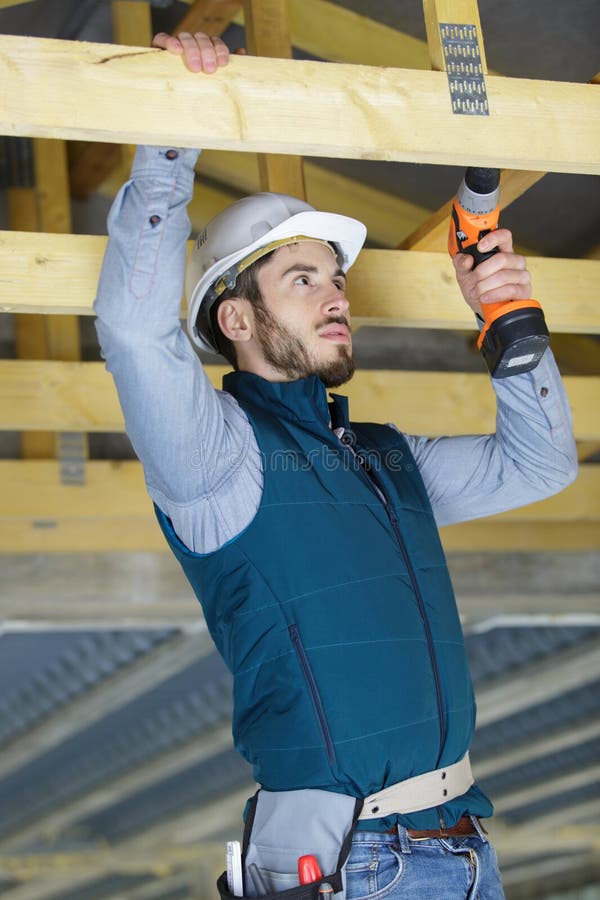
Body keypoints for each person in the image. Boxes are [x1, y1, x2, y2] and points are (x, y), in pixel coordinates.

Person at [94, 30, 578, 900]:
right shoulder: (217, 462)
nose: (336, 293)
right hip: (353, 862)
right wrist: (172, 127)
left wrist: (505, 307)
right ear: (236, 321)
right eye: (302, 278)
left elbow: (541, 465)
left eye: (337, 277)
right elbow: (134, 331)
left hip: (463, 841)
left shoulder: (387, 460)